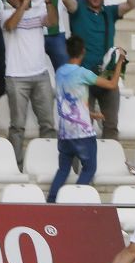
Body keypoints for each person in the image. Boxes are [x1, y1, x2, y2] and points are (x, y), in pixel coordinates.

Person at [47, 35, 123, 202]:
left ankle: (51, 201)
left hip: (65, 133)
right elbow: (112, 85)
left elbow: (71, 102)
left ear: (67, 51)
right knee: (89, 168)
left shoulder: (59, 73)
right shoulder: (82, 73)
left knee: (63, 170)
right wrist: (119, 63)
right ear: (83, 52)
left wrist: (92, 114)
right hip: (82, 133)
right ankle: (74, 200)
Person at [63, 0, 135, 141]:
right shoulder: (78, 10)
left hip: (106, 77)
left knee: (111, 125)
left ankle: (111, 157)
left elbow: (131, 4)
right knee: (83, 125)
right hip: (83, 78)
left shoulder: (110, 12)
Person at [0, 0, 58, 164]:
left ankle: (47, 164)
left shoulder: (39, 11)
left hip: (41, 75)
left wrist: (48, 1)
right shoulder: (5, 13)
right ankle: (15, 166)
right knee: (17, 127)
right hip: (16, 77)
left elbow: (53, 22)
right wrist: (24, 4)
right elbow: (11, 26)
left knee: (48, 124)